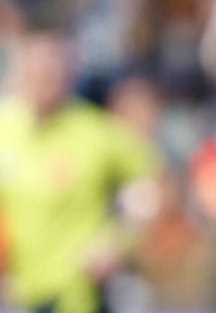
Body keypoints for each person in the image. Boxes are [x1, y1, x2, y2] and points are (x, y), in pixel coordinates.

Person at [0, 28, 162, 313]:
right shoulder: (6, 127)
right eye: (35, 71)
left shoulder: (95, 132)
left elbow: (150, 184)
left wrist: (119, 241)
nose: (42, 80)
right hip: (17, 294)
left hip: (78, 293)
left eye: (51, 71)